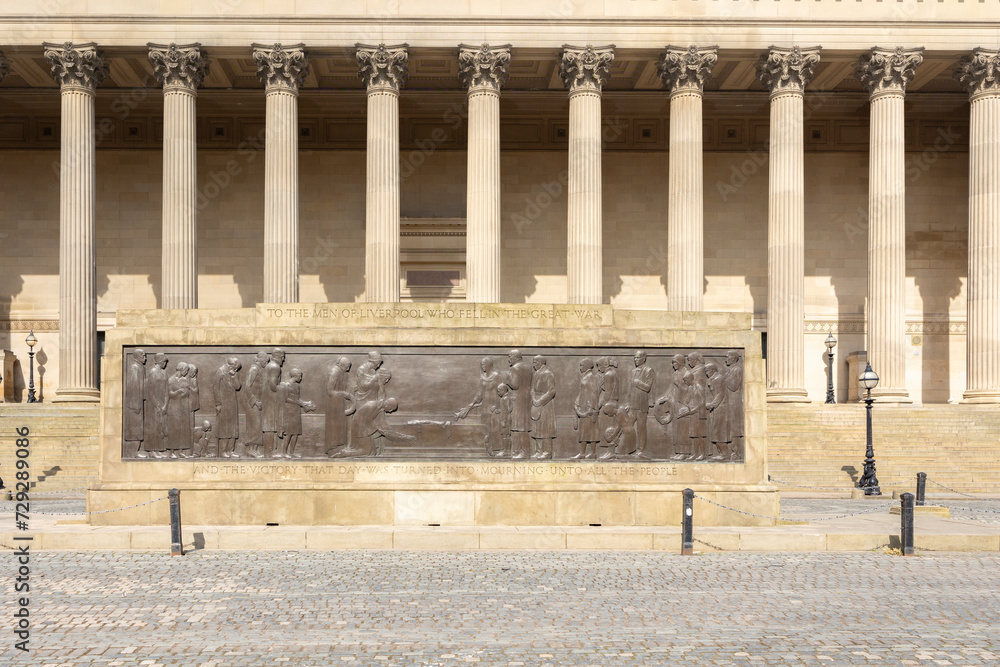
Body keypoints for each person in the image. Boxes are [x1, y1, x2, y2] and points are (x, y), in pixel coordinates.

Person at [455, 357, 503, 457]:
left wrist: (498, 405)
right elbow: (480, 393)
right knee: (487, 428)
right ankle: (488, 448)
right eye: (482, 365)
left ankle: (498, 449)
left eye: (484, 364)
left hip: (494, 407)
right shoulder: (482, 377)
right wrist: (472, 404)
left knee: (495, 428)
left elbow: (501, 391)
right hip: (485, 407)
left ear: (489, 365)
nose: (483, 366)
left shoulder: (497, 376)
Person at [278, 368, 315, 458]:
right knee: (289, 433)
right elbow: (286, 399)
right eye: (300, 376)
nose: (301, 378)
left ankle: (291, 452)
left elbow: (298, 399)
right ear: (295, 375)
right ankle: (283, 453)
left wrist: (306, 404)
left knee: (295, 433)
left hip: (296, 411)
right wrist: (301, 403)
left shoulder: (297, 386)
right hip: (289, 411)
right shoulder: (285, 385)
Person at [504, 350, 533, 459]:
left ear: (515, 357)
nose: (508, 359)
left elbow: (515, 385)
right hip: (526, 399)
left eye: (509, 356)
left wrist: (508, 379)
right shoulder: (528, 367)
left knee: (519, 427)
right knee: (523, 427)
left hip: (517, 401)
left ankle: (523, 452)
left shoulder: (515, 368)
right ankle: (519, 451)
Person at [324, 357, 355, 457]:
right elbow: (330, 391)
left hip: (340, 403)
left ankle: (339, 449)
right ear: (341, 365)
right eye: (347, 366)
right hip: (333, 405)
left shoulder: (342, 373)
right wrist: (344, 394)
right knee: (334, 428)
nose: (348, 369)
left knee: (340, 427)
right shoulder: (334, 372)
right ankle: (332, 450)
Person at [627, 350, 655, 459]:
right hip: (633, 404)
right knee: (627, 425)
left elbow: (648, 387)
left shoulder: (649, 370)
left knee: (641, 428)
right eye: (635, 357)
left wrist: (638, 382)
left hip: (642, 404)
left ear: (644, 358)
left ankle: (641, 450)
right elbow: (630, 389)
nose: (636, 360)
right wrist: (628, 403)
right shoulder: (633, 371)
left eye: (638, 358)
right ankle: (628, 448)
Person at [572, 358, 602, 460]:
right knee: (585, 431)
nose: (580, 367)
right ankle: (585, 453)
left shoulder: (591, 377)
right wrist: (576, 403)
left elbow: (594, 394)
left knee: (590, 431)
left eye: (581, 365)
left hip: (588, 409)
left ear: (586, 366)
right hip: (584, 407)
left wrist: (592, 409)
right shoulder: (585, 377)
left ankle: (589, 453)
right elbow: (582, 393)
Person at [213, 357, 242, 458]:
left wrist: (234, 376)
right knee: (224, 428)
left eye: (237, 369)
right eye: (235, 368)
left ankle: (231, 450)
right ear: (231, 365)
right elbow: (215, 388)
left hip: (232, 402)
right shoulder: (220, 372)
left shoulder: (234, 373)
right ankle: (223, 451)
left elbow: (238, 387)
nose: (236, 370)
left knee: (233, 426)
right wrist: (218, 404)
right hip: (223, 403)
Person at [243, 352, 269, 459]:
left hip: (258, 402)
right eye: (266, 361)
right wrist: (255, 401)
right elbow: (247, 387)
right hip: (252, 403)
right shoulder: (253, 369)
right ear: (260, 360)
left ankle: (255, 449)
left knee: (257, 426)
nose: (266, 363)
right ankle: (250, 450)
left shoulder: (260, 370)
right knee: (254, 426)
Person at [529, 355, 556, 459]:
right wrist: (534, 399)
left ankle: (547, 452)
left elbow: (552, 391)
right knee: (536, 429)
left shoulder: (548, 373)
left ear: (541, 363)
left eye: (535, 362)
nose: (533, 364)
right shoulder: (536, 374)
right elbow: (532, 389)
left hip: (545, 404)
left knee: (545, 429)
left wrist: (540, 401)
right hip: (535, 403)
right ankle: (538, 451)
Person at [144, 353, 169, 458]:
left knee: (160, 427)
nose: (165, 364)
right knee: (153, 427)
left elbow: (167, 390)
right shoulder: (152, 372)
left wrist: (165, 405)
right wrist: (157, 405)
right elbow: (150, 391)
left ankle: (158, 449)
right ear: (159, 361)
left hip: (162, 403)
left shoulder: (164, 373)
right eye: (164, 361)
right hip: (153, 405)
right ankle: (151, 450)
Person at [261, 348, 285, 458]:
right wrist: (283, 388)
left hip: (267, 398)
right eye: (282, 356)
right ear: (276, 356)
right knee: (270, 426)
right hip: (271, 399)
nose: (283, 359)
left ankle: (270, 451)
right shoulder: (275, 367)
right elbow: (273, 385)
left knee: (269, 425)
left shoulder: (268, 366)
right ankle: (269, 452)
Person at [123, 349, 146, 458]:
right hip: (134, 405)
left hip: (139, 403)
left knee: (138, 428)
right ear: (137, 357)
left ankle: (134, 451)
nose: (145, 358)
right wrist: (136, 405)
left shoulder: (140, 367)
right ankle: (131, 452)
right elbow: (134, 387)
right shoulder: (134, 368)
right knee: (134, 429)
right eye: (143, 356)